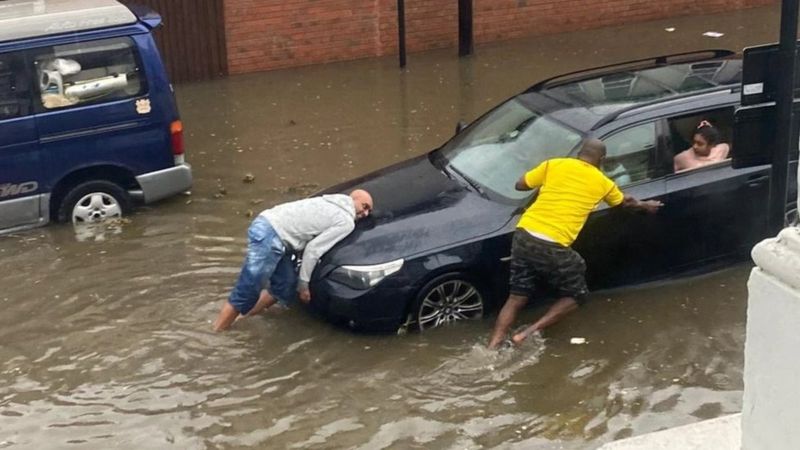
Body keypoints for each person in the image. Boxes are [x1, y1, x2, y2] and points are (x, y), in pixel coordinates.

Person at [487, 139, 662, 349]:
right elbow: (626, 204)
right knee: (577, 294)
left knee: (516, 296)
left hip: (524, 234)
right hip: (552, 243)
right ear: (602, 159)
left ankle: (494, 344)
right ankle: (527, 333)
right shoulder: (603, 182)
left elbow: (520, 184)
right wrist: (646, 205)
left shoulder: (554, 164)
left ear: (580, 153)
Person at [213, 189, 373, 331]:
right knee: (248, 289)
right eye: (364, 206)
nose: (365, 213)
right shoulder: (346, 221)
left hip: (268, 224)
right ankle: (217, 332)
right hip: (272, 235)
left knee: (285, 285)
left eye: (369, 211)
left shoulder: (327, 200)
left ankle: (241, 319)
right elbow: (313, 250)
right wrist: (304, 285)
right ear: (353, 200)